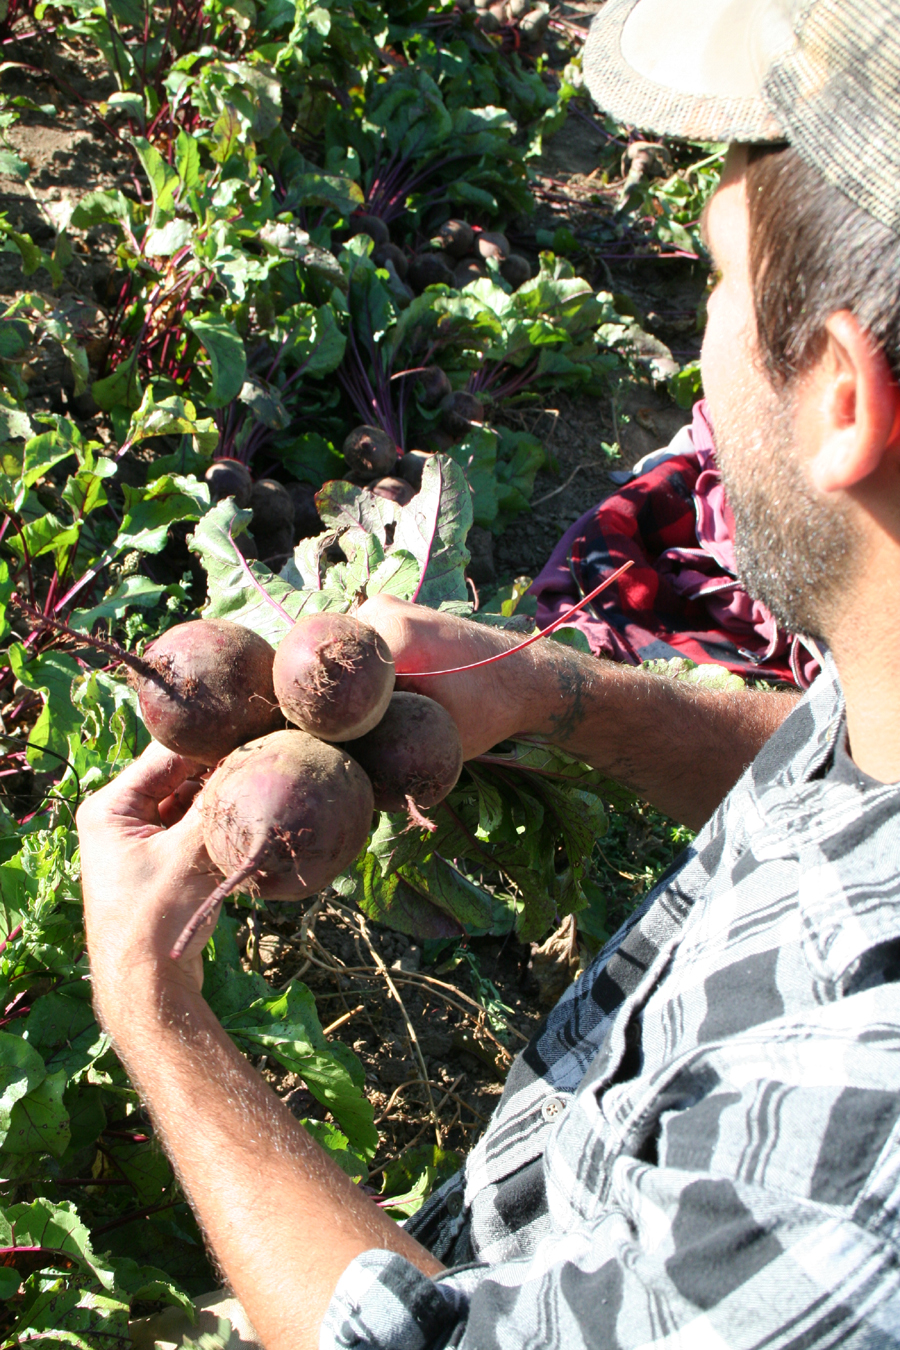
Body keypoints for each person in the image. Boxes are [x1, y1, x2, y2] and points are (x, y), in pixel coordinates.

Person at [77, 0, 900, 1345]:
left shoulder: (854, 1189)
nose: (695, 366)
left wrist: (152, 1007)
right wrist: (564, 693)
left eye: (711, 277)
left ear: (844, 400)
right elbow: (850, 782)